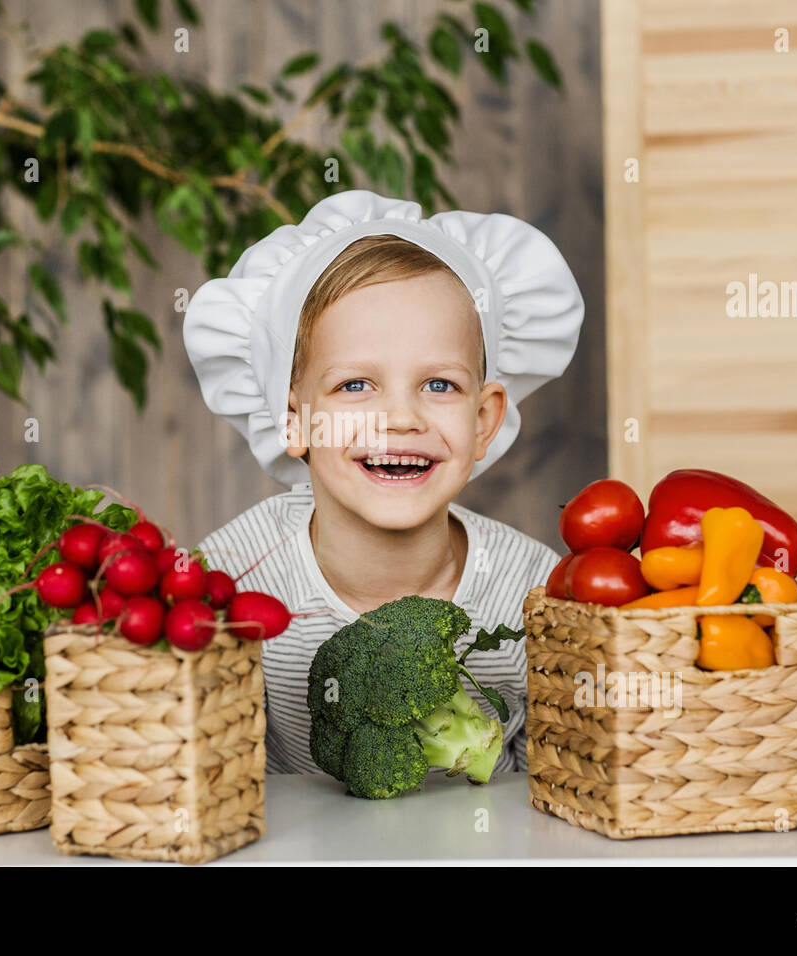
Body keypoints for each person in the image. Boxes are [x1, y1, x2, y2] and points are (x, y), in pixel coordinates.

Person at [182, 189, 584, 773]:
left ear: (483, 421)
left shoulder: (535, 594)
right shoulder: (230, 579)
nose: (399, 417)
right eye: (355, 385)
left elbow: (561, 789)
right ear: (292, 418)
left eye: (439, 385)